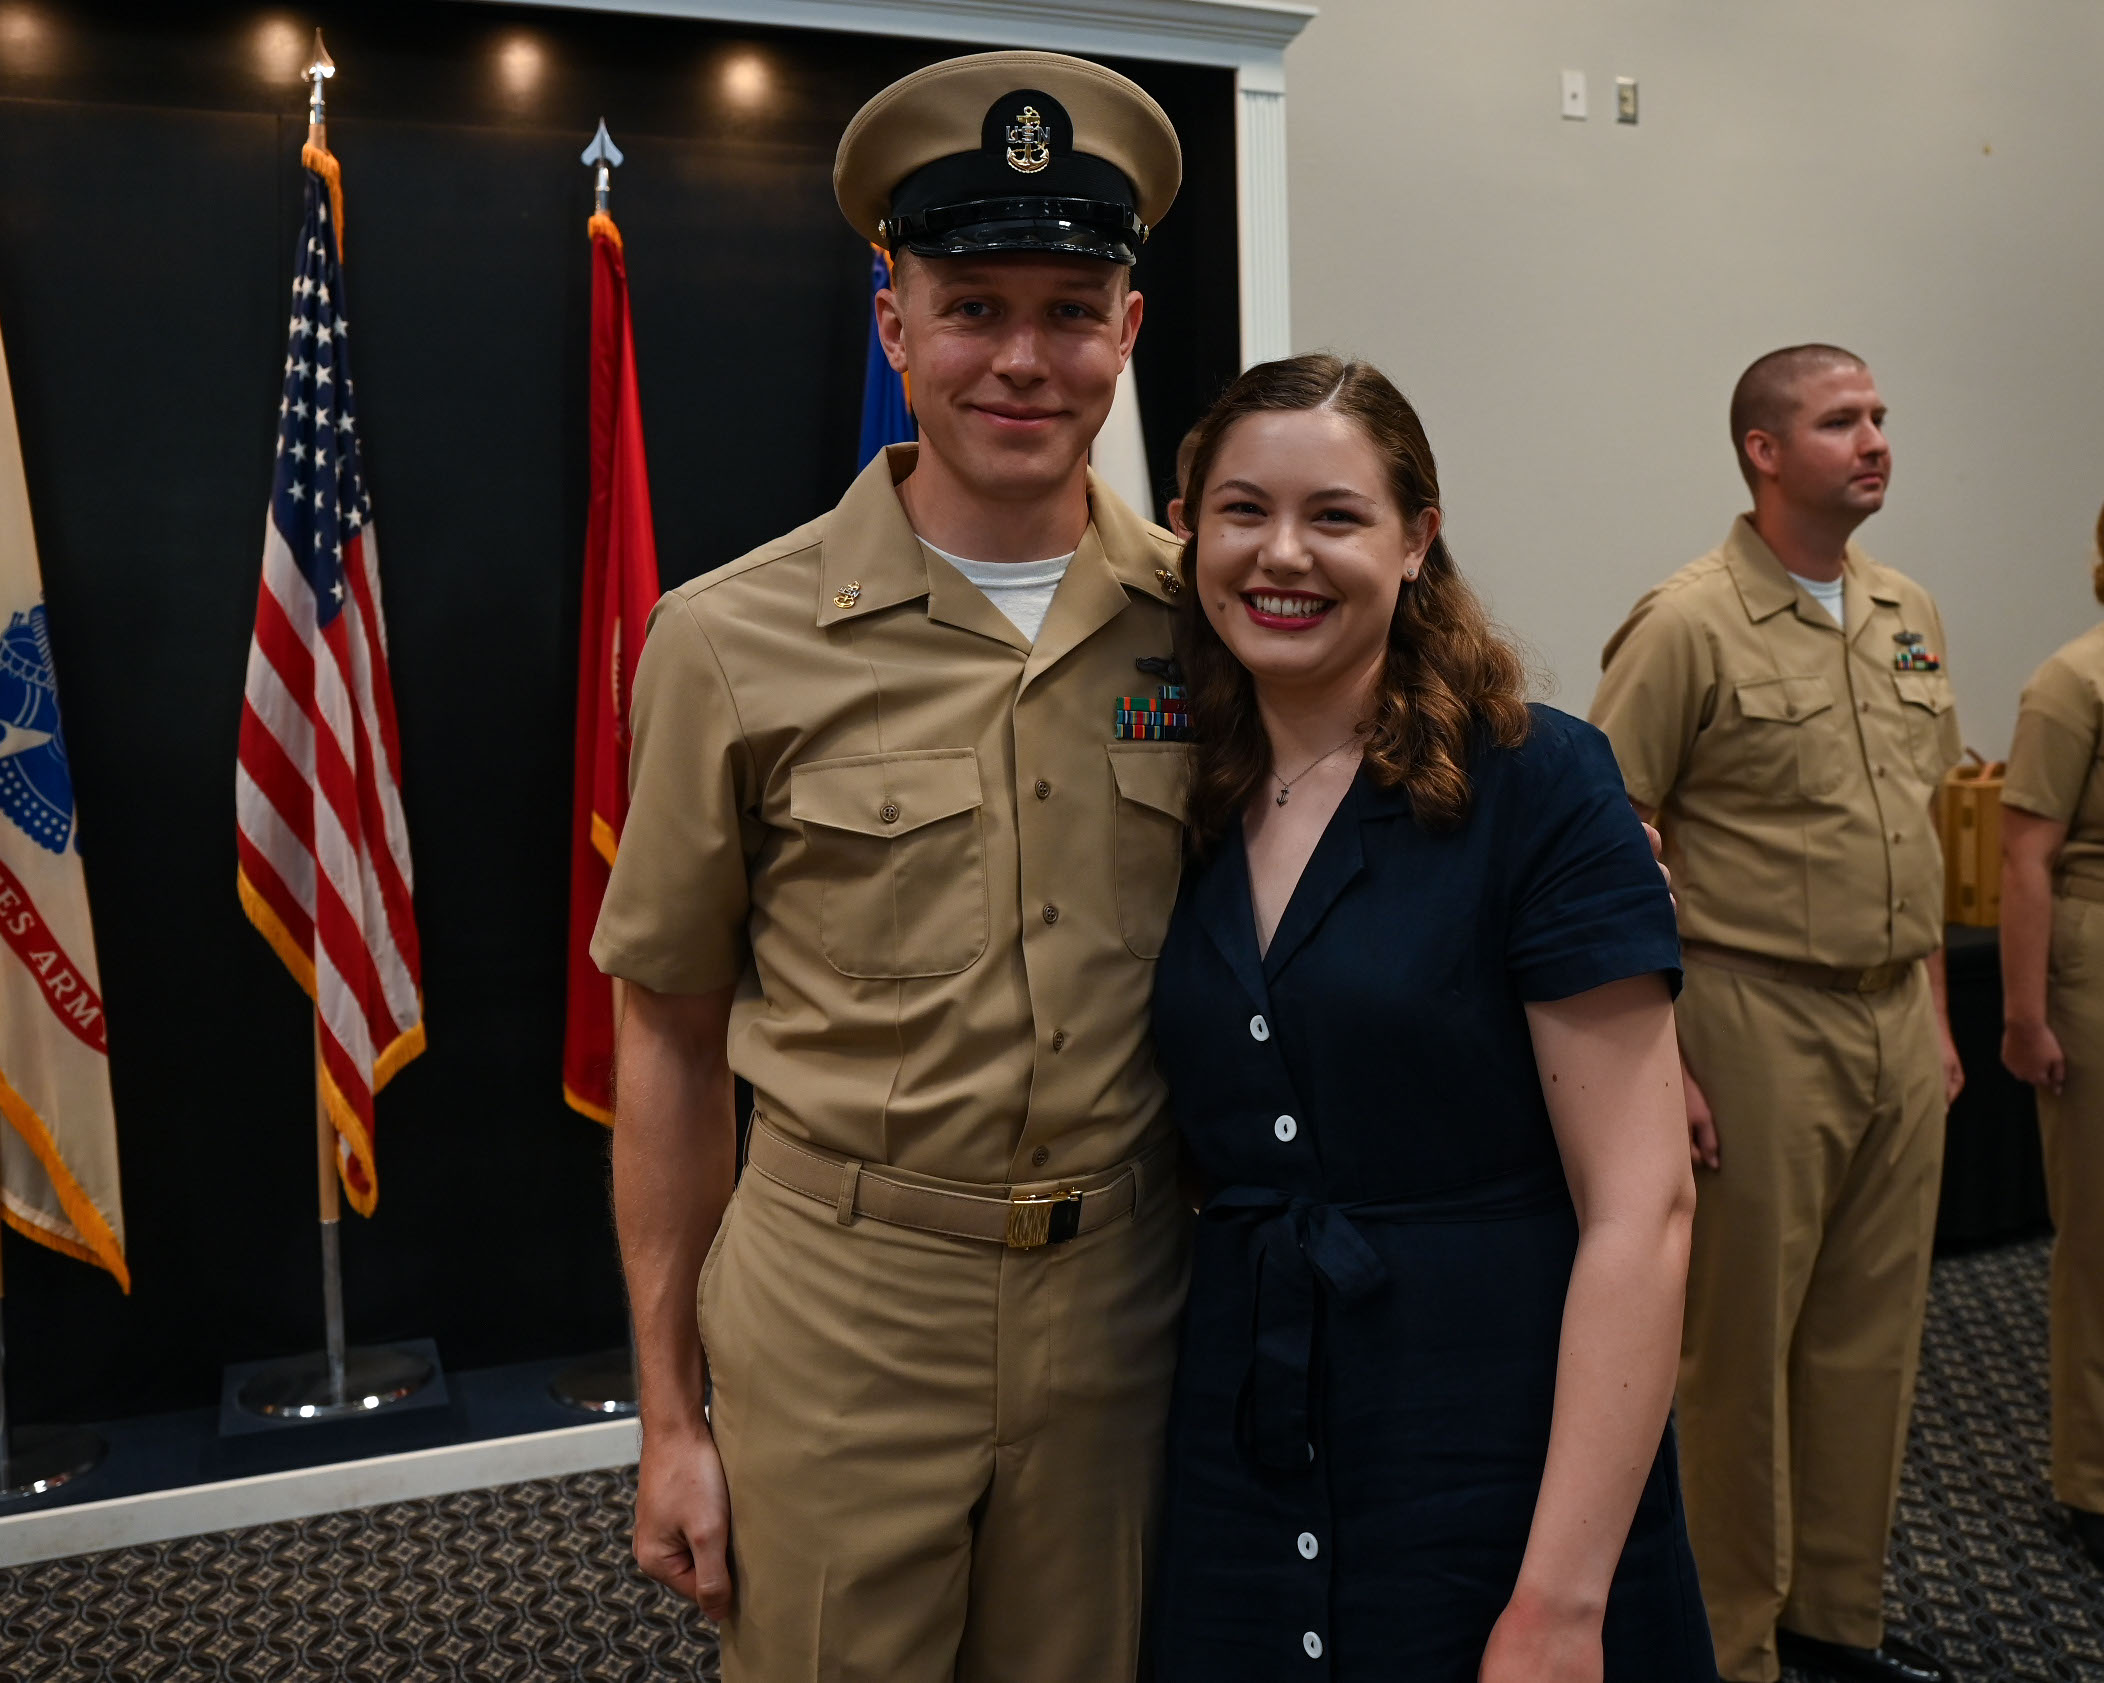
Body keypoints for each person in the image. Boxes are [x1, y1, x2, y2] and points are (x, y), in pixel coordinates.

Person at [590, 52, 1193, 1682]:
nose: (1023, 358)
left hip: (1125, 1305)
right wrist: (669, 1414)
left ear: (1127, 331)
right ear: (893, 324)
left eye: (1071, 311)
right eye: (971, 306)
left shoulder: (1202, 625)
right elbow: (667, 1036)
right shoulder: (729, 640)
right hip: (845, 1311)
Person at [1149, 354, 1712, 1681]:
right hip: (1244, 1420)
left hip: (1491, 1421)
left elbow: (1643, 1209)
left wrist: (1562, 1599)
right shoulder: (1166, 779)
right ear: (1186, 531)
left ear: (1416, 540)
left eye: (1336, 516)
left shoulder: (1540, 782)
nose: (1283, 554)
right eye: (1242, 511)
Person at [1589, 345, 1966, 1683]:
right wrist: (1663, 1065)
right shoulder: (1688, 622)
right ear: (1762, 450)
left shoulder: (1905, 608)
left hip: (1893, 1014)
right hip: (1752, 1017)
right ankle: (1732, 1644)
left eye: (1878, 416)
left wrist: (1932, 1012)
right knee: (1737, 1358)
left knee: (1873, 1336)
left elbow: (1917, 826)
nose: (1873, 440)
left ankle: (1835, 1618)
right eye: (1839, 420)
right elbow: (1608, 841)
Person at [2000, 502, 2104, 1568]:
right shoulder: (2074, 682)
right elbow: (2024, 857)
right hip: (2094, 956)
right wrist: (2025, 1016)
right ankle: (2093, 1478)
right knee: (2099, 1236)